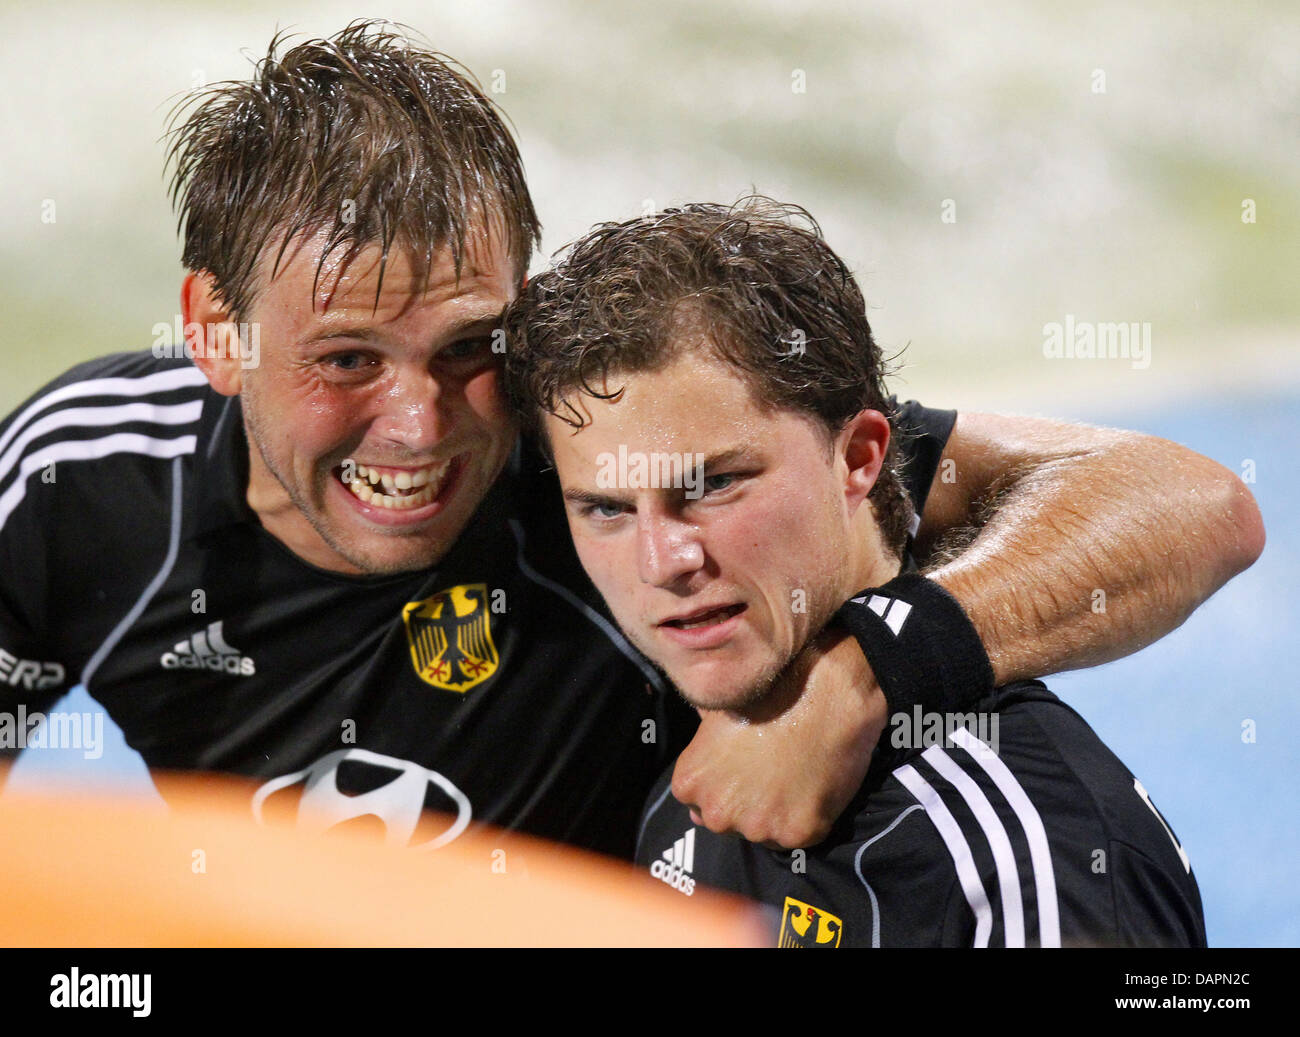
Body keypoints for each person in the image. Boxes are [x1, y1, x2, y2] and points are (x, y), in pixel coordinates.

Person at [0, 24, 1262, 860]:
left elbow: (1184, 498)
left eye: (470, 347)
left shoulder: (603, 448)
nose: (421, 425)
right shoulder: (79, 484)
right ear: (214, 332)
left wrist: (866, 670)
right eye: (345, 359)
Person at [504, 198, 1218, 945]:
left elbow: (1203, 502)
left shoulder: (1021, 855)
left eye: (714, 484)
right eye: (606, 509)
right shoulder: (690, 750)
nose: (663, 563)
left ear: (858, 457)